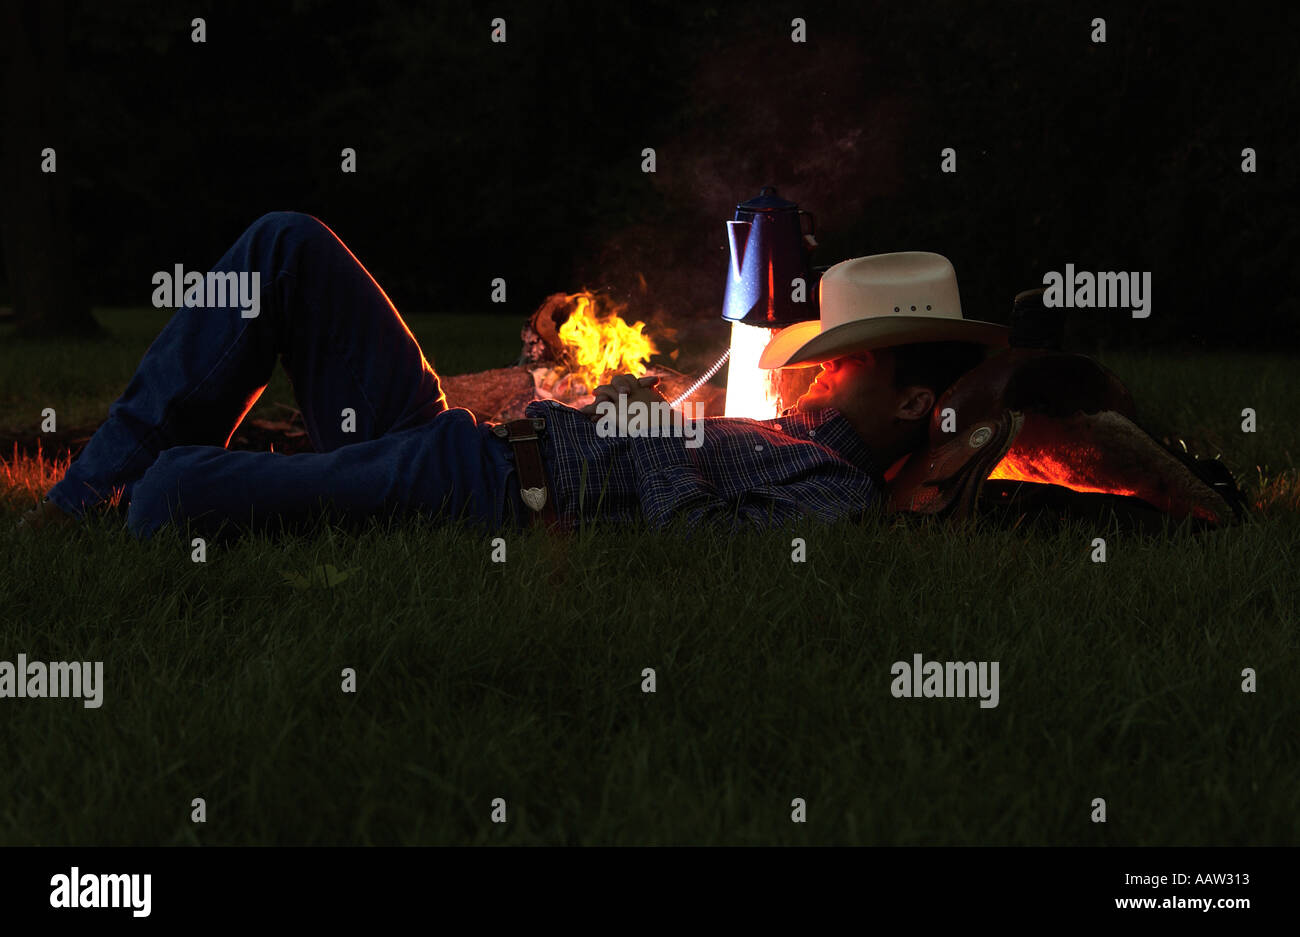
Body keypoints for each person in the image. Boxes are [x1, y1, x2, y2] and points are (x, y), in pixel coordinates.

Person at [19, 213, 1006, 537]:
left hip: (486, 486)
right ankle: (80, 498)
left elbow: (693, 535)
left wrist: (645, 426)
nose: (816, 372)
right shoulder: (788, 433)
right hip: (459, 436)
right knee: (288, 245)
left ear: (912, 400)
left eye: (846, 361)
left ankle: (103, 509)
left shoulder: (835, 492)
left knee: (175, 492)